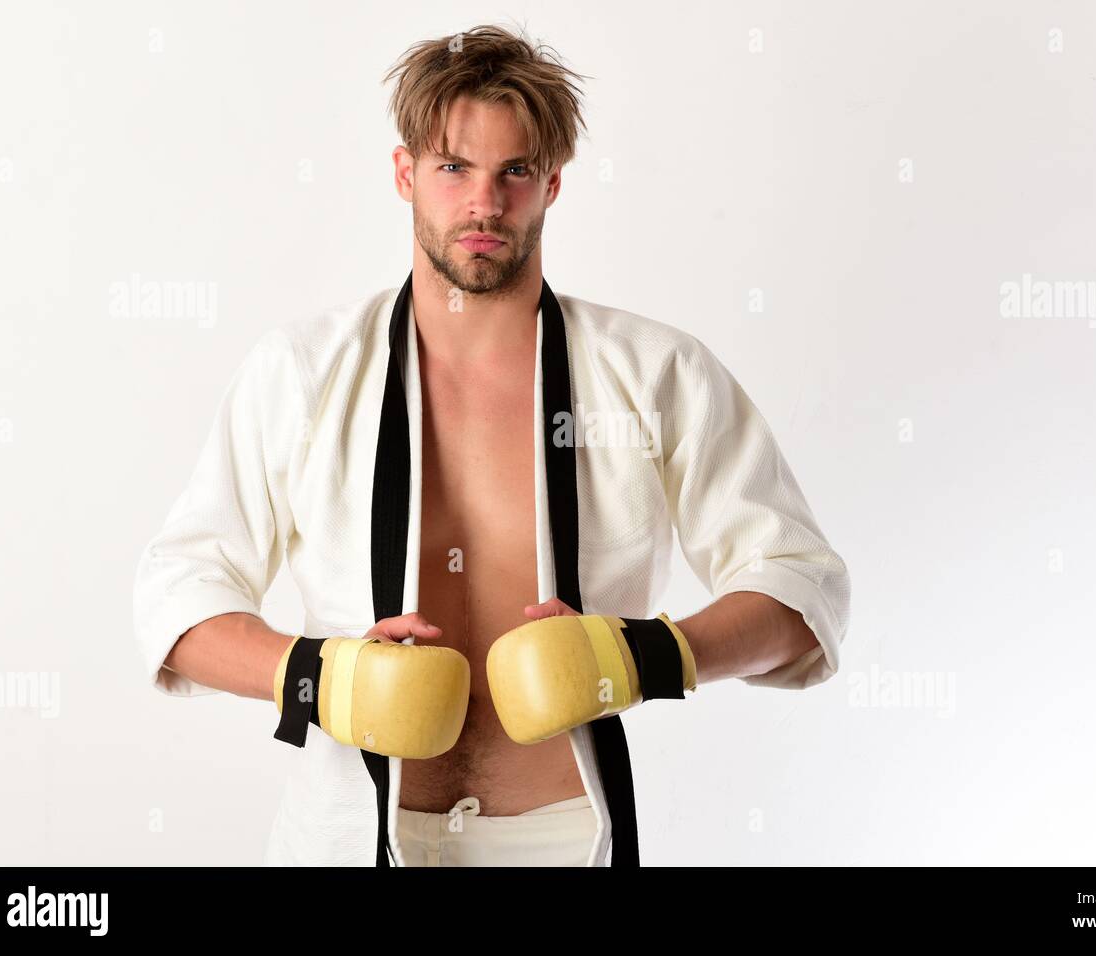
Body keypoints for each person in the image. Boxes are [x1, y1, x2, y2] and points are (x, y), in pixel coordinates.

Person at [132, 23, 851, 867]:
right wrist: (327, 677)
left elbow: (801, 591)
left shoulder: (656, 373)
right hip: (343, 834)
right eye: (453, 168)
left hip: (561, 836)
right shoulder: (301, 372)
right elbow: (175, 596)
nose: (484, 203)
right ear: (405, 175)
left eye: (514, 171)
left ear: (551, 183)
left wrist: (642, 653)